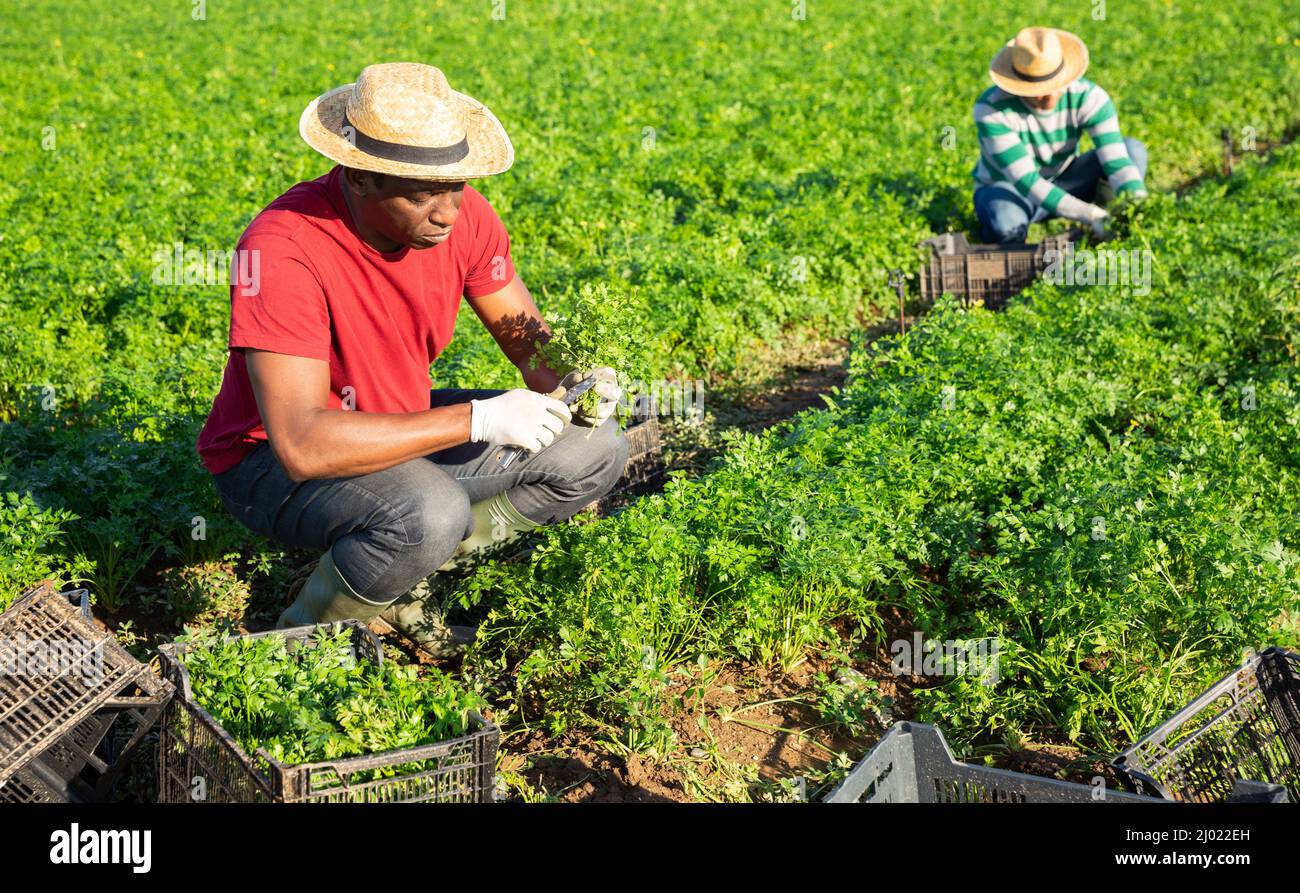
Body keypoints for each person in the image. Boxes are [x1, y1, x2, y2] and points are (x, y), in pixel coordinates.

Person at [196, 63, 627, 659]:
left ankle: (391, 580)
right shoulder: (284, 250)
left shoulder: (463, 220)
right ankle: (287, 652)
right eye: (422, 194)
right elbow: (302, 444)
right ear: (359, 177)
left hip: (395, 424)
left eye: (455, 187)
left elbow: (530, 346)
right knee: (427, 511)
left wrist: (576, 380)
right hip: (265, 465)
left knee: (595, 448)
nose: (448, 213)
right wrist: (480, 419)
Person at [973, 27, 1148, 244]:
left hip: (1067, 179)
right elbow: (1027, 181)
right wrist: (1089, 215)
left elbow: (1117, 163)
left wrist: (1138, 208)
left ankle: (1108, 228)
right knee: (1005, 223)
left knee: (1133, 151)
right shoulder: (992, 110)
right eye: (1035, 88)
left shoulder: (1089, 98)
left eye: (1054, 84)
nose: (1048, 95)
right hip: (1011, 189)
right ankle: (1008, 241)